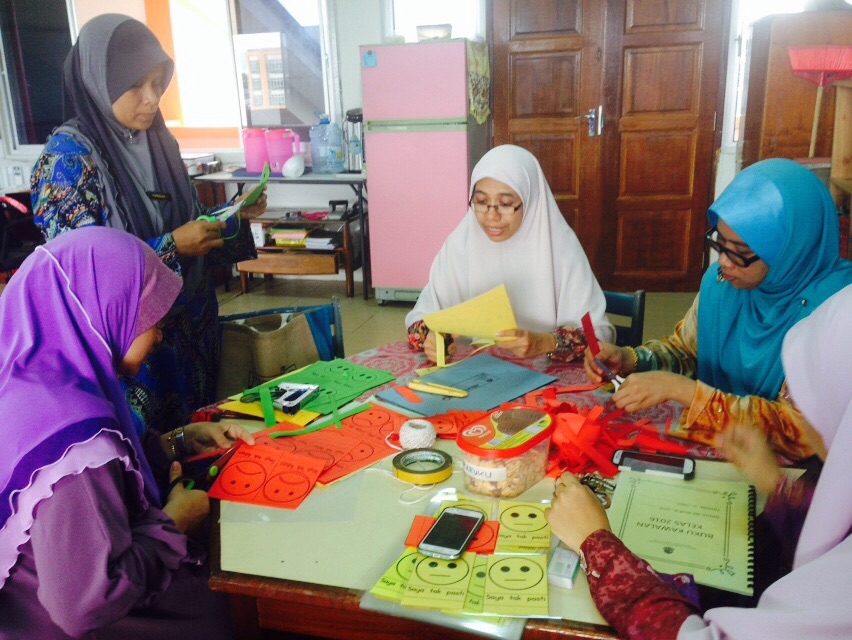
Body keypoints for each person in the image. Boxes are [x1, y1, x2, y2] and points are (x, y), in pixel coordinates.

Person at [549, 283, 852, 639]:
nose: (795, 405)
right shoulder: (720, 288)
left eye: (806, 396)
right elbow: (828, 527)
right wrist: (775, 484)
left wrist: (596, 544)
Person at [0, 227, 256, 639]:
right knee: (239, 595)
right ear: (99, 309)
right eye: (147, 319)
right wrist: (175, 522)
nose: (157, 336)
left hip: (26, 610)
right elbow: (84, 604)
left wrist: (174, 441)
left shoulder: (29, 381)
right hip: (90, 624)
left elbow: (107, 479)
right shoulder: (72, 443)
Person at [30, 14, 266, 435]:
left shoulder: (160, 141)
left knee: (205, 451)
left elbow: (192, 222)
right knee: (153, 469)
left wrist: (233, 216)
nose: (151, 98)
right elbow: (82, 280)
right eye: (136, 84)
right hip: (137, 355)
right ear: (99, 80)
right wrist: (173, 246)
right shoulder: (67, 162)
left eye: (158, 83)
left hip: (193, 332)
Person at [585, 159, 852, 460]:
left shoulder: (837, 312)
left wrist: (685, 392)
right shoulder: (723, 285)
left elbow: (801, 431)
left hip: (787, 478)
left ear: (793, 249)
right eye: (720, 244)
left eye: (739, 254)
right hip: (722, 448)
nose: (723, 263)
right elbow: (684, 351)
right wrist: (631, 358)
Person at [406, 144, 613, 363]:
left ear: (531, 201)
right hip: (478, 376)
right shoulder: (461, 244)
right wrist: (430, 337)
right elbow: (419, 319)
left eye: (505, 204)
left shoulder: (561, 249)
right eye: (481, 202)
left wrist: (544, 343)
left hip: (550, 379)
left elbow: (599, 335)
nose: (491, 216)